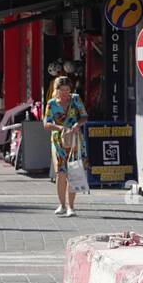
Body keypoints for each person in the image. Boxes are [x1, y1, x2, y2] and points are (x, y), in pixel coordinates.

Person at [44, 77, 88, 217]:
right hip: (58, 141)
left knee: (73, 171)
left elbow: (84, 116)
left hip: (74, 139)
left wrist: (77, 124)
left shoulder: (75, 99)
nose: (65, 93)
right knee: (60, 173)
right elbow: (46, 123)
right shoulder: (51, 104)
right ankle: (62, 205)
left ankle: (71, 207)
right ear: (56, 90)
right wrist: (59, 127)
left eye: (67, 90)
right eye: (62, 90)